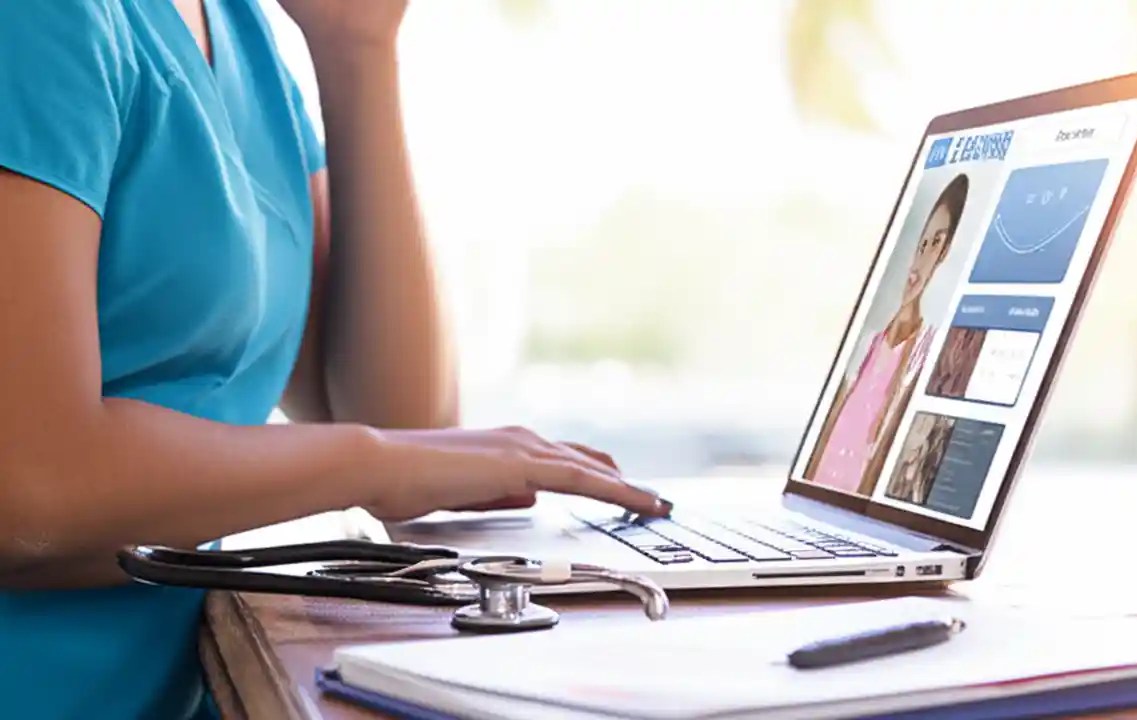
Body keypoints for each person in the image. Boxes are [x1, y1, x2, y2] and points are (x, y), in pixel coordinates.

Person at [0, 2, 668, 718]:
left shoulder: (237, 28)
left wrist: (358, 45)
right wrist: (379, 464)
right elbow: (30, 493)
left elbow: (399, 413)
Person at [809, 173, 969, 496]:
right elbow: (826, 433)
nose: (919, 262)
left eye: (935, 244)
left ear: (945, 251)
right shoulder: (869, 343)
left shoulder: (927, 351)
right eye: (921, 244)